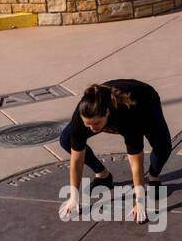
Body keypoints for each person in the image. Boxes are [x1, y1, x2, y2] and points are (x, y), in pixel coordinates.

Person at [58, 80, 172, 225]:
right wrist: (74, 197)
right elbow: (76, 161)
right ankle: (103, 175)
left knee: (163, 147)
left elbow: (136, 162)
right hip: (112, 114)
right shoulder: (82, 116)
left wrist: (140, 202)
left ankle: (154, 176)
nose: (92, 129)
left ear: (107, 112)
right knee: (66, 139)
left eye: (96, 124)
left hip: (145, 103)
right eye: (88, 124)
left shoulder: (127, 115)